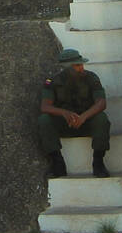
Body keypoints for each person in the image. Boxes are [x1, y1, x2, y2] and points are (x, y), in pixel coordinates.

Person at [37, 48, 110, 178]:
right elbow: (45, 106)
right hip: (65, 124)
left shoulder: (91, 78)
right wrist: (63, 113)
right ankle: (57, 163)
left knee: (102, 119)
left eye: (81, 64)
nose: (81, 67)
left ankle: (98, 162)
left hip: (87, 122)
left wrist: (83, 117)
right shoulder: (52, 82)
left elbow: (101, 103)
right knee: (44, 120)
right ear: (66, 68)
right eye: (77, 65)